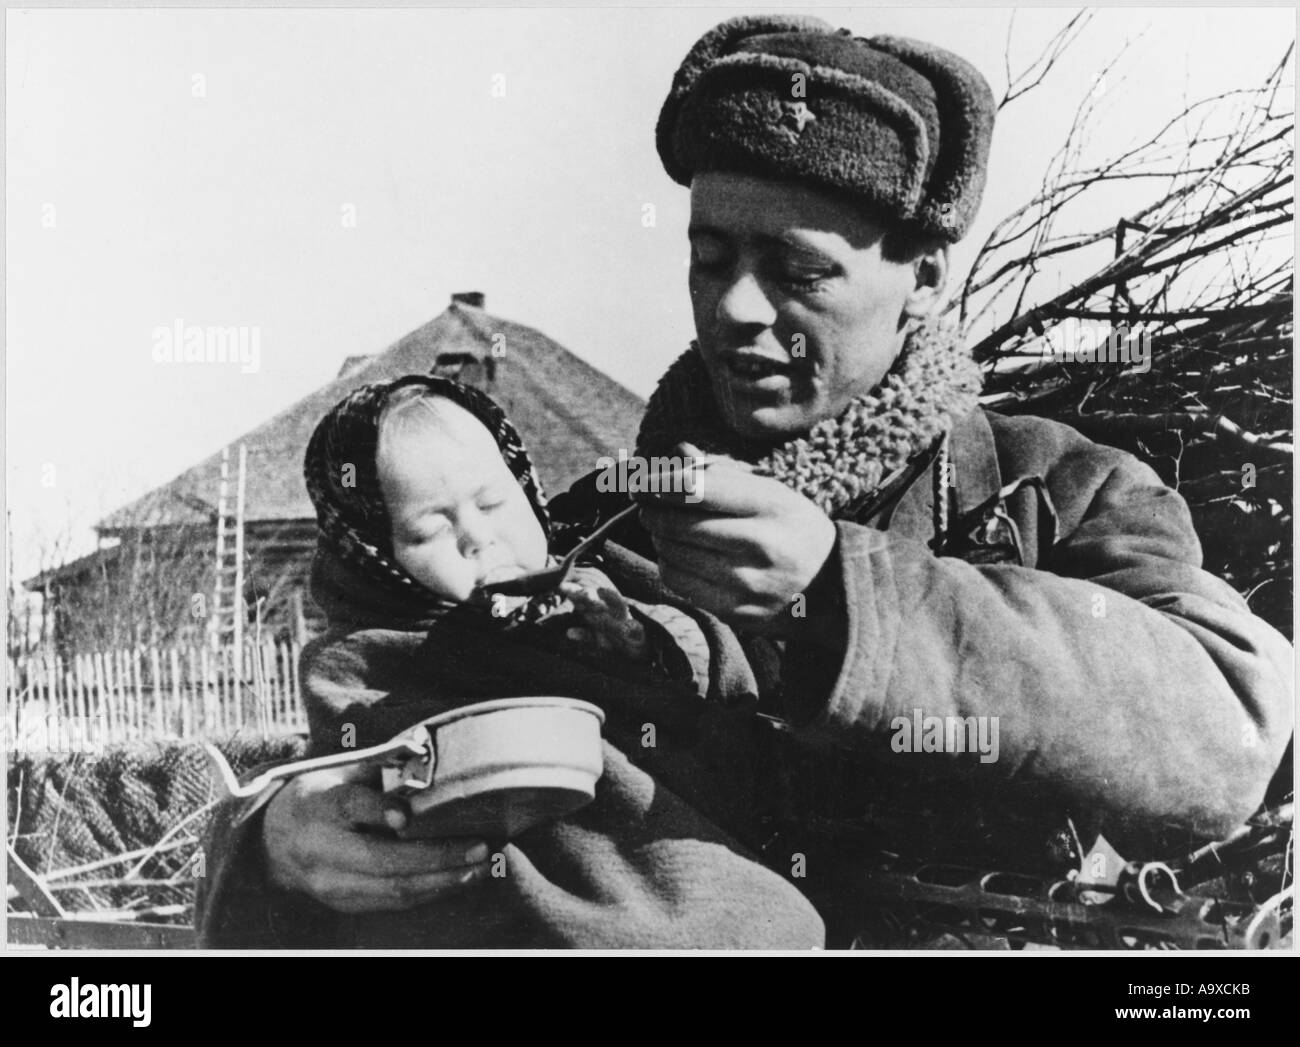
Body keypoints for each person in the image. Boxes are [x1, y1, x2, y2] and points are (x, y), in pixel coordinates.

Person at [207, 14, 1292, 947]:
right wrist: (276, 847)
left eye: (799, 269)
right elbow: (381, 724)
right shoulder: (586, 536)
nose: (733, 309)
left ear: (920, 280)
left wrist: (839, 593)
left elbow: (1226, 733)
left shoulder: (1048, 491)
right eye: (710, 256)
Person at [196, 374, 824, 948]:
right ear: (374, 558)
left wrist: (636, 644)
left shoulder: (608, 574)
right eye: (428, 532)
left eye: (493, 504)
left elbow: (718, 692)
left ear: (525, 485)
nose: (477, 536)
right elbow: (349, 754)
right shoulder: (376, 652)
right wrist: (270, 829)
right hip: (502, 895)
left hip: (677, 859)